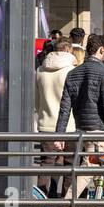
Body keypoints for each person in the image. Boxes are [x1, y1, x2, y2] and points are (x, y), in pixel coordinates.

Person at [52, 33, 104, 143]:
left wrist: (59, 136)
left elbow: (65, 108)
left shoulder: (72, 73)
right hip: (100, 133)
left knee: (82, 160)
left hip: (79, 132)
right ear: (102, 50)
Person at [34, 39, 75, 194]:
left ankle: (41, 201)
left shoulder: (40, 70)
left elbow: (36, 101)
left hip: (46, 123)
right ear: (68, 50)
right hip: (69, 123)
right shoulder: (71, 70)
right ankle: (65, 200)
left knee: (46, 162)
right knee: (70, 163)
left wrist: (43, 112)